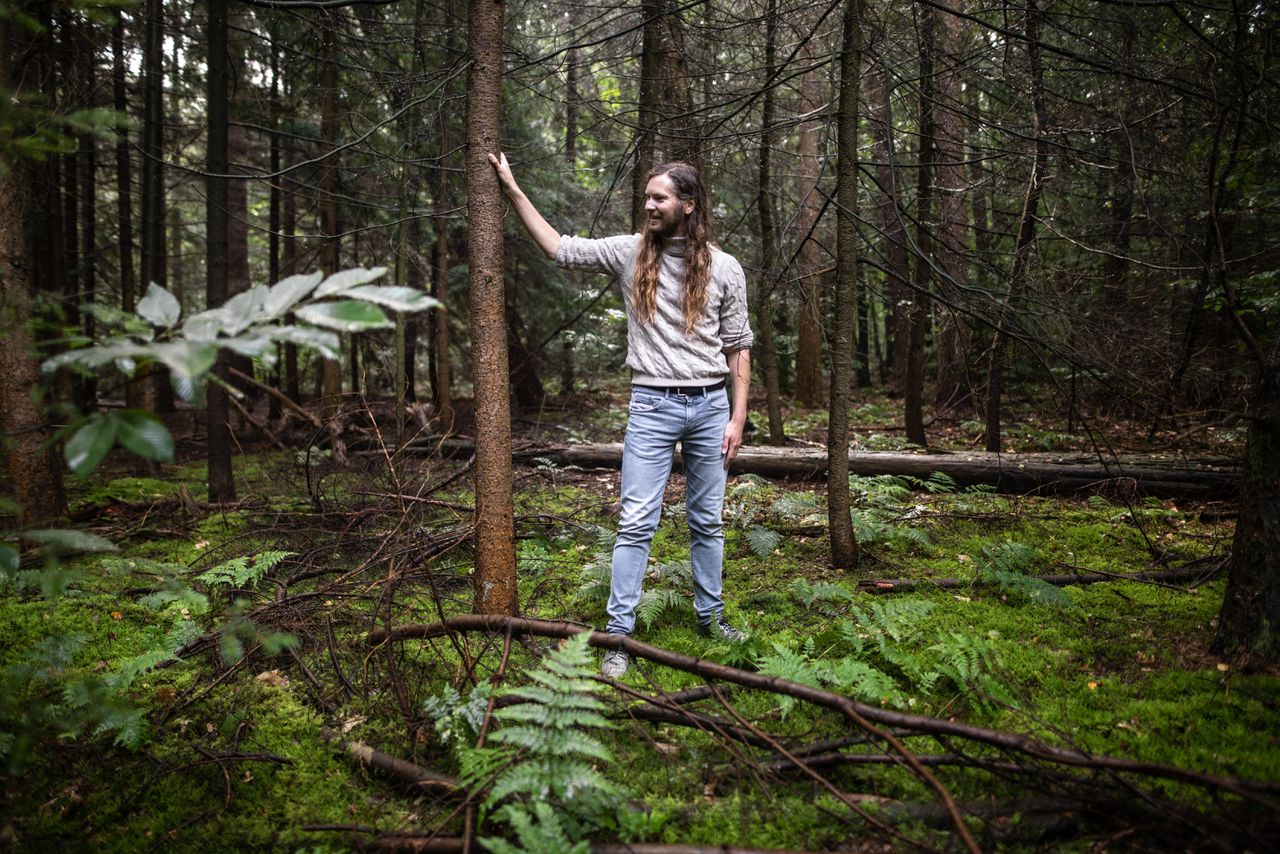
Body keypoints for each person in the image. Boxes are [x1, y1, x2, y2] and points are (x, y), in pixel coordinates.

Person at [488, 152, 753, 677]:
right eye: (647, 198)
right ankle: (619, 637)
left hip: (710, 406)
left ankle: (711, 618)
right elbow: (559, 248)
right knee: (635, 522)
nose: (649, 206)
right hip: (652, 405)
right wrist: (512, 189)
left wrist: (737, 419)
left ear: (689, 205)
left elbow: (739, 346)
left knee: (706, 521)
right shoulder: (629, 253)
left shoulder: (725, 267)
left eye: (660, 198)